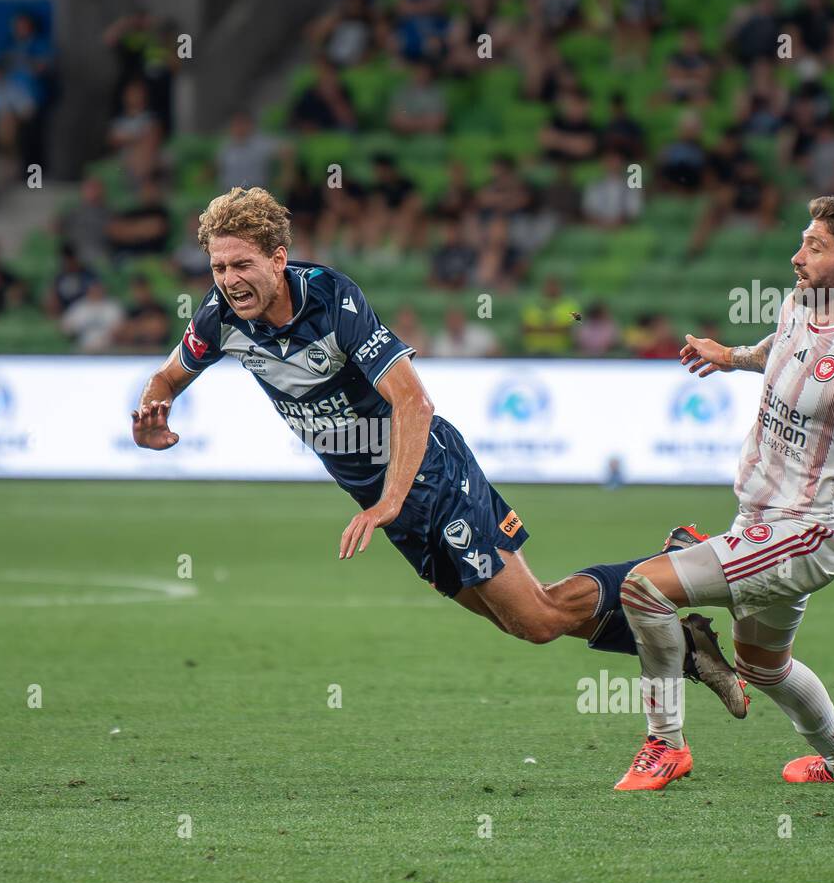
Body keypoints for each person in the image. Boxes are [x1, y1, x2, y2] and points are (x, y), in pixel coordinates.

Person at [130, 186, 749, 718]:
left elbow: (414, 404)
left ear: (277, 258)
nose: (229, 280)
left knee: (536, 619)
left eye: (242, 264)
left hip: (428, 473)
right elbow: (168, 377)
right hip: (385, 498)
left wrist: (388, 501)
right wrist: (152, 415)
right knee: (518, 619)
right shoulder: (219, 318)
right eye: (218, 267)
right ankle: (687, 646)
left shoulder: (333, 301)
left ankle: (676, 563)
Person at [613, 196, 834, 790]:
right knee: (762, 667)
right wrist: (730, 357)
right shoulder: (799, 304)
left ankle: (666, 745)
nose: (797, 256)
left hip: (805, 533)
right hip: (760, 520)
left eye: (816, 247)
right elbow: (779, 350)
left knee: (643, 588)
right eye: (803, 241)